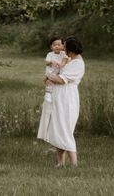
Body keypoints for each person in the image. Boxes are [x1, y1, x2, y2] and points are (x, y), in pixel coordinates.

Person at [37, 36, 85, 167]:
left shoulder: (78, 63)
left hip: (67, 98)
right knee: (57, 127)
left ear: (70, 49)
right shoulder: (69, 60)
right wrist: (51, 75)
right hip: (58, 97)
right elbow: (56, 72)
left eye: (64, 46)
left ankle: (74, 163)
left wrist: (49, 76)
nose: (62, 48)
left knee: (65, 128)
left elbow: (60, 79)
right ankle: (60, 162)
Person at [43, 37, 68, 103]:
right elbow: (46, 62)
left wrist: (64, 62)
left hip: (60, 73)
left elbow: (67, 59)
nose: (56, 46)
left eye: (59, 45)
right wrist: (51, 62)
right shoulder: (50, 54)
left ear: (62, 46)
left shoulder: (63, 53)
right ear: (51, 47)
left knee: (57, 84)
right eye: (54, 45)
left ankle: (57, 96)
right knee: (49, 81)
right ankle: (48, 94)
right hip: (51, 72)